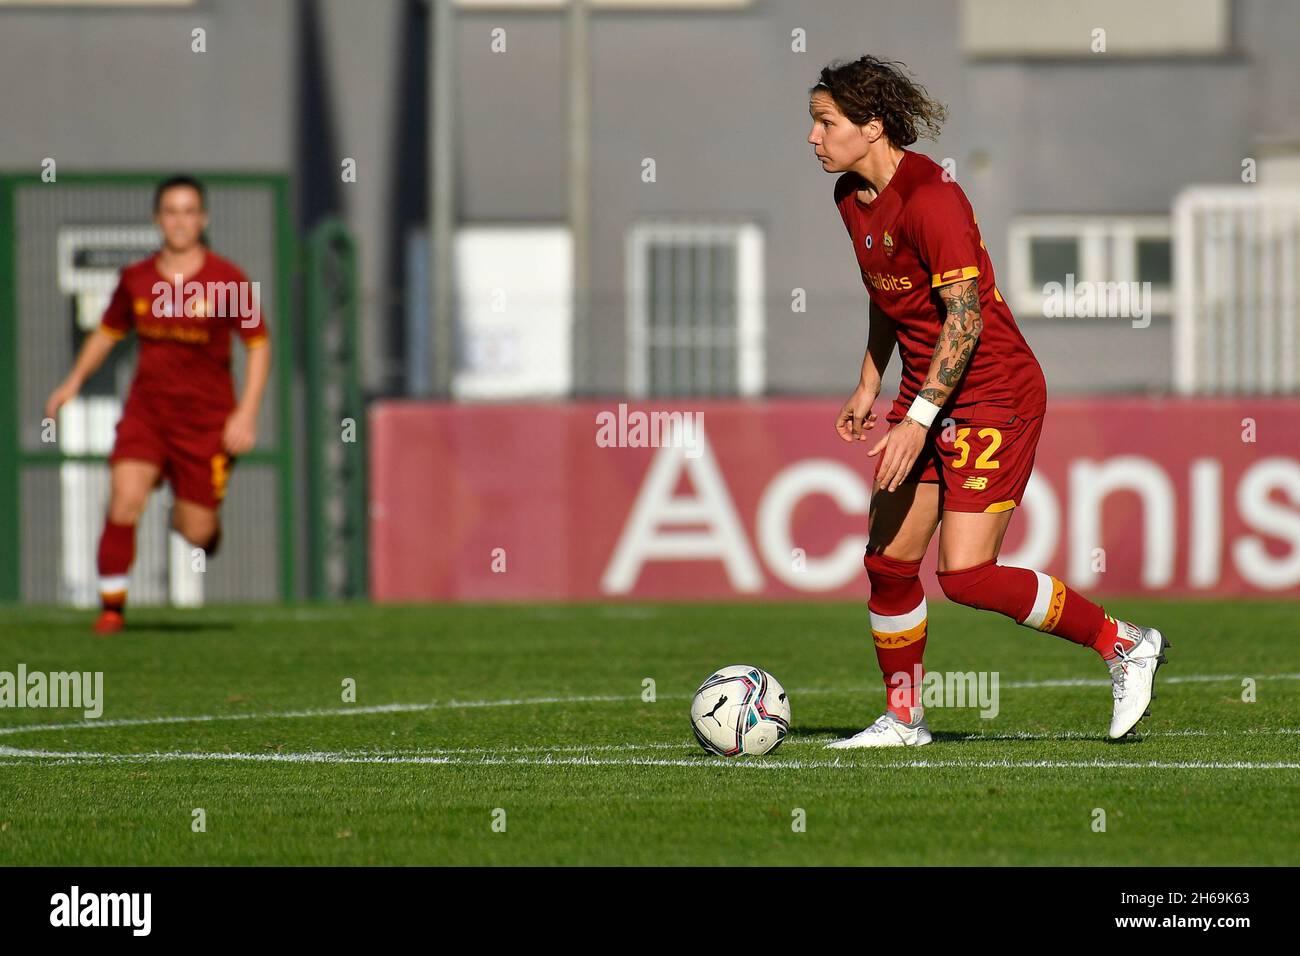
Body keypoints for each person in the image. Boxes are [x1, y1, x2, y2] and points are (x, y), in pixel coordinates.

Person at [806, 56, 1169, 746]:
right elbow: (890, 295)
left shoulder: (932, 198)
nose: (813, 137)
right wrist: (867, 382)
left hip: (992, 391)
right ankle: (904, 719)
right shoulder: (850, 198)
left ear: (872, 125)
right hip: (926, 392)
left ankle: (1122, 642)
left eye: (826, 123)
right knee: (886, 563)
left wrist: (915, 421)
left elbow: (965, 320)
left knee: (966, 576)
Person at [44, 175, 271, 634]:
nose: (180, 221)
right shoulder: (137, 279)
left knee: (197, 531)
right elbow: (108, 333)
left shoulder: (228, 278)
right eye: (171, 211)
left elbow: (258, 344)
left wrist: (247, 411)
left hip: (206, 422)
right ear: (157, 219)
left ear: (203, 218)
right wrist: (72, 382)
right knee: (124, 500)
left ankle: (191, 518)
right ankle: (111, 609)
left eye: (189, 211)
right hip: (148, 414)